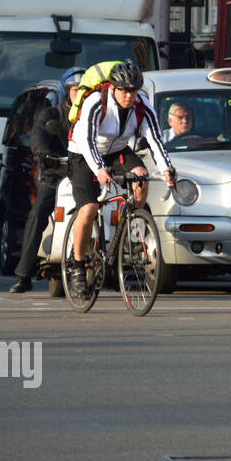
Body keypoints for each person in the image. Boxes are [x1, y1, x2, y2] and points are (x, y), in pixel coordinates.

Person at [65, 59, 175, 299]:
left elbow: (155, 139)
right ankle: (77, 265)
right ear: (113, 88)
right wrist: (98, 170)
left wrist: (167, 168)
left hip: (117, 150)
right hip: (83, 154)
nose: (129, 95)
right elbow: (86, 139)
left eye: (133, 90)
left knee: (142, 177)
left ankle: (130, 226)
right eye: (124, 90)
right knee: (90, 208)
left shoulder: (142, 105)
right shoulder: (96, 102)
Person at [10, 69, 82, 293]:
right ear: (67, 91)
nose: (79, 94)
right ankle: (24, 275)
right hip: (56, 176)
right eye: (75, 89)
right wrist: (44, 154)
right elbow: (37, 137)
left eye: (84, 90)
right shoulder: (50, 115)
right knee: (37, 213)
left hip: (85, 173)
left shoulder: (93, 116)